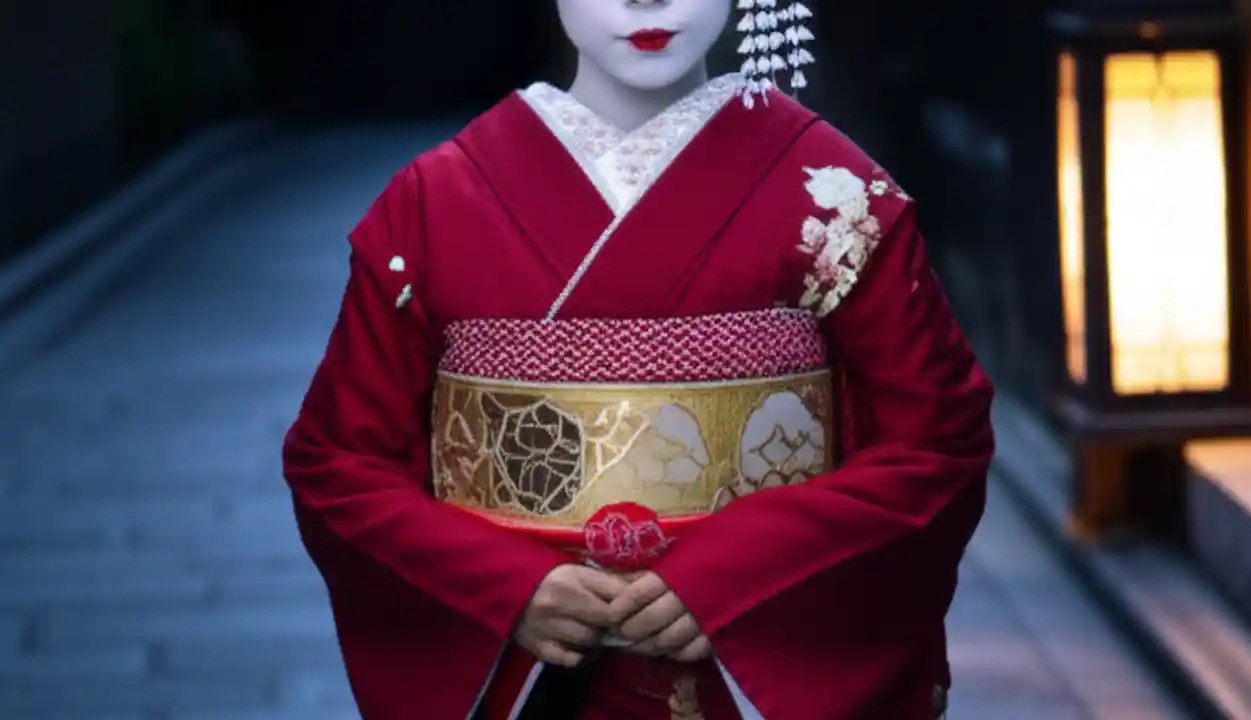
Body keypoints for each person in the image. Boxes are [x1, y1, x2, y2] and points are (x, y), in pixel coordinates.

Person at [282, 1, 993, 718]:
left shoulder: (837, 198)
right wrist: (503, 586)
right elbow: (339, 461)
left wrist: (743, 575)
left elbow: (938, 438)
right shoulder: (432, 203)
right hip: (533, 672)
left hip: (734, 673)